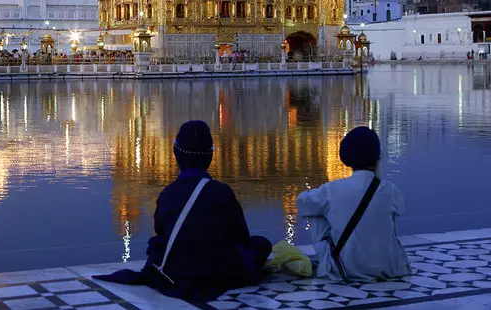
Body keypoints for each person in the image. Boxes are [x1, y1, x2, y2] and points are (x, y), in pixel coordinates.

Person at [95, 120, 272, 302]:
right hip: (219, 268)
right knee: (261, 244)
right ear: (209, 157)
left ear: (177, 155)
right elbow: (242, 236)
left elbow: (162, 232)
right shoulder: (222, 192)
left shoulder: (168, 194)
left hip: (178, 269)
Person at [296, 126, 410, 281]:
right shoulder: (391, 190)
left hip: (347, 269)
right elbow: (399, 209)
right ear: (378, 156)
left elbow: (302, 203)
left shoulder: (332, 189)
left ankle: (332, 261)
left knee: (317, 212)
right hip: (389, 268)